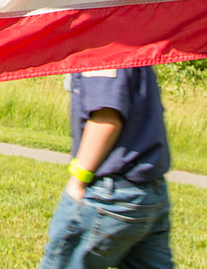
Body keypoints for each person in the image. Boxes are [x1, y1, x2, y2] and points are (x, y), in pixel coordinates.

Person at [38, 67, 174, 269]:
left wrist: (78, 179)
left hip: (113, 195)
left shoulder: (103, 47)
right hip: (151, 192)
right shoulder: (136, 45)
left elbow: (106, 118)